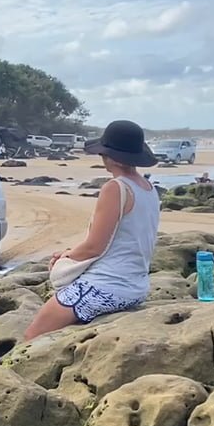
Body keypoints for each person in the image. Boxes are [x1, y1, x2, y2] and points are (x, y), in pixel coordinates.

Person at [24, 120, 160, 340]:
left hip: (106, 286)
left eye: (103, 154)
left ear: (111, 157)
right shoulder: (148, 189)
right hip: (137, 287)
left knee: (33, 336)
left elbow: (94, 247)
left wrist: (65, 257)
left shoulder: (116, 188)